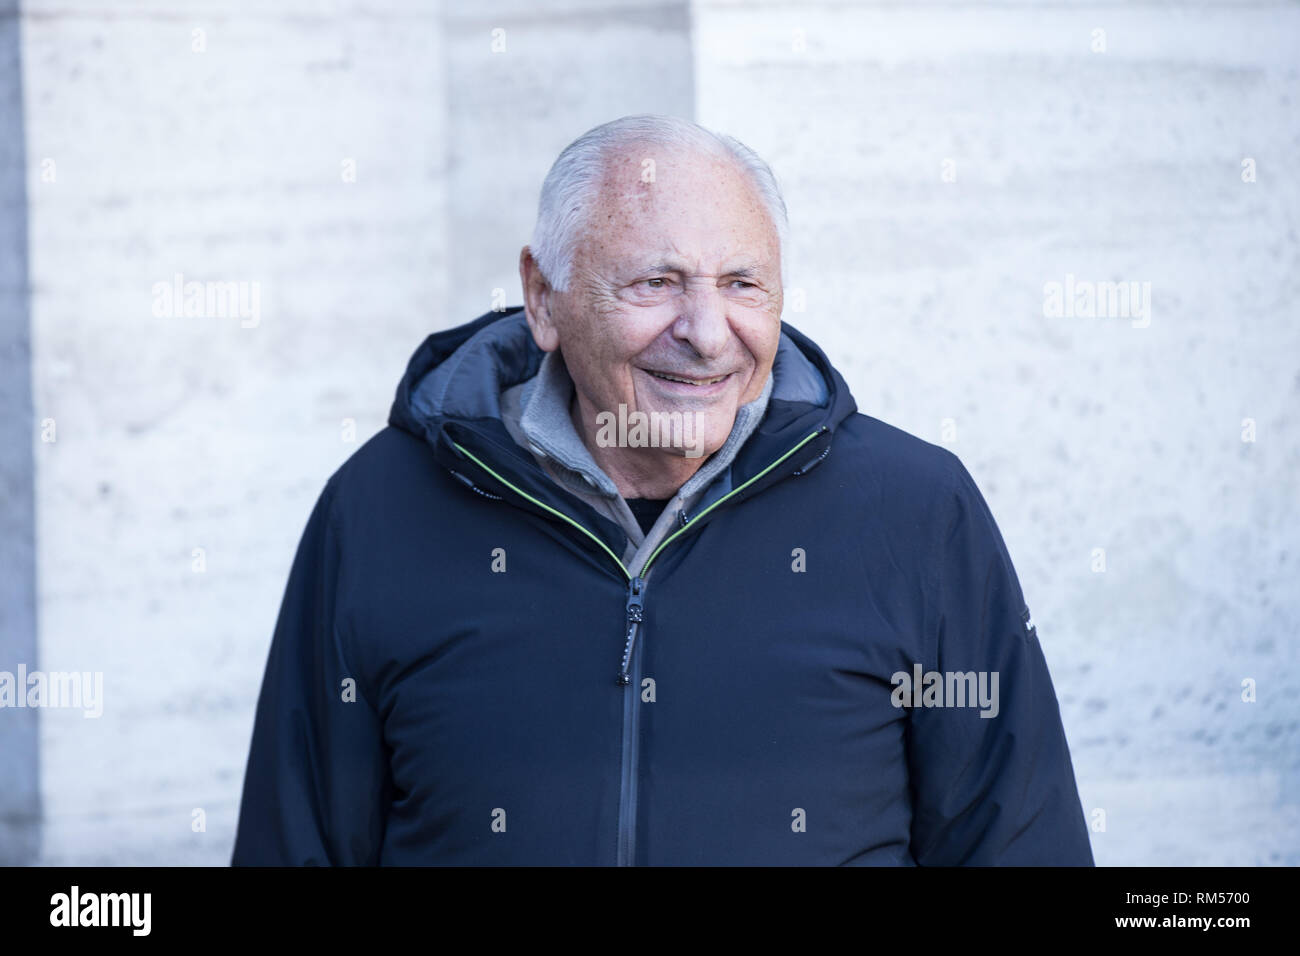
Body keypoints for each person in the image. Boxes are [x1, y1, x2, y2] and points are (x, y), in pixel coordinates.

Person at [231, 114, 1094, 866]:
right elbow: (295, 842)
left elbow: (1019, 842)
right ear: (543, 297)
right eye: (657, 282)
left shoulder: (916, 513)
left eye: (743, 284)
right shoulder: (378, 508)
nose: (708, 334)